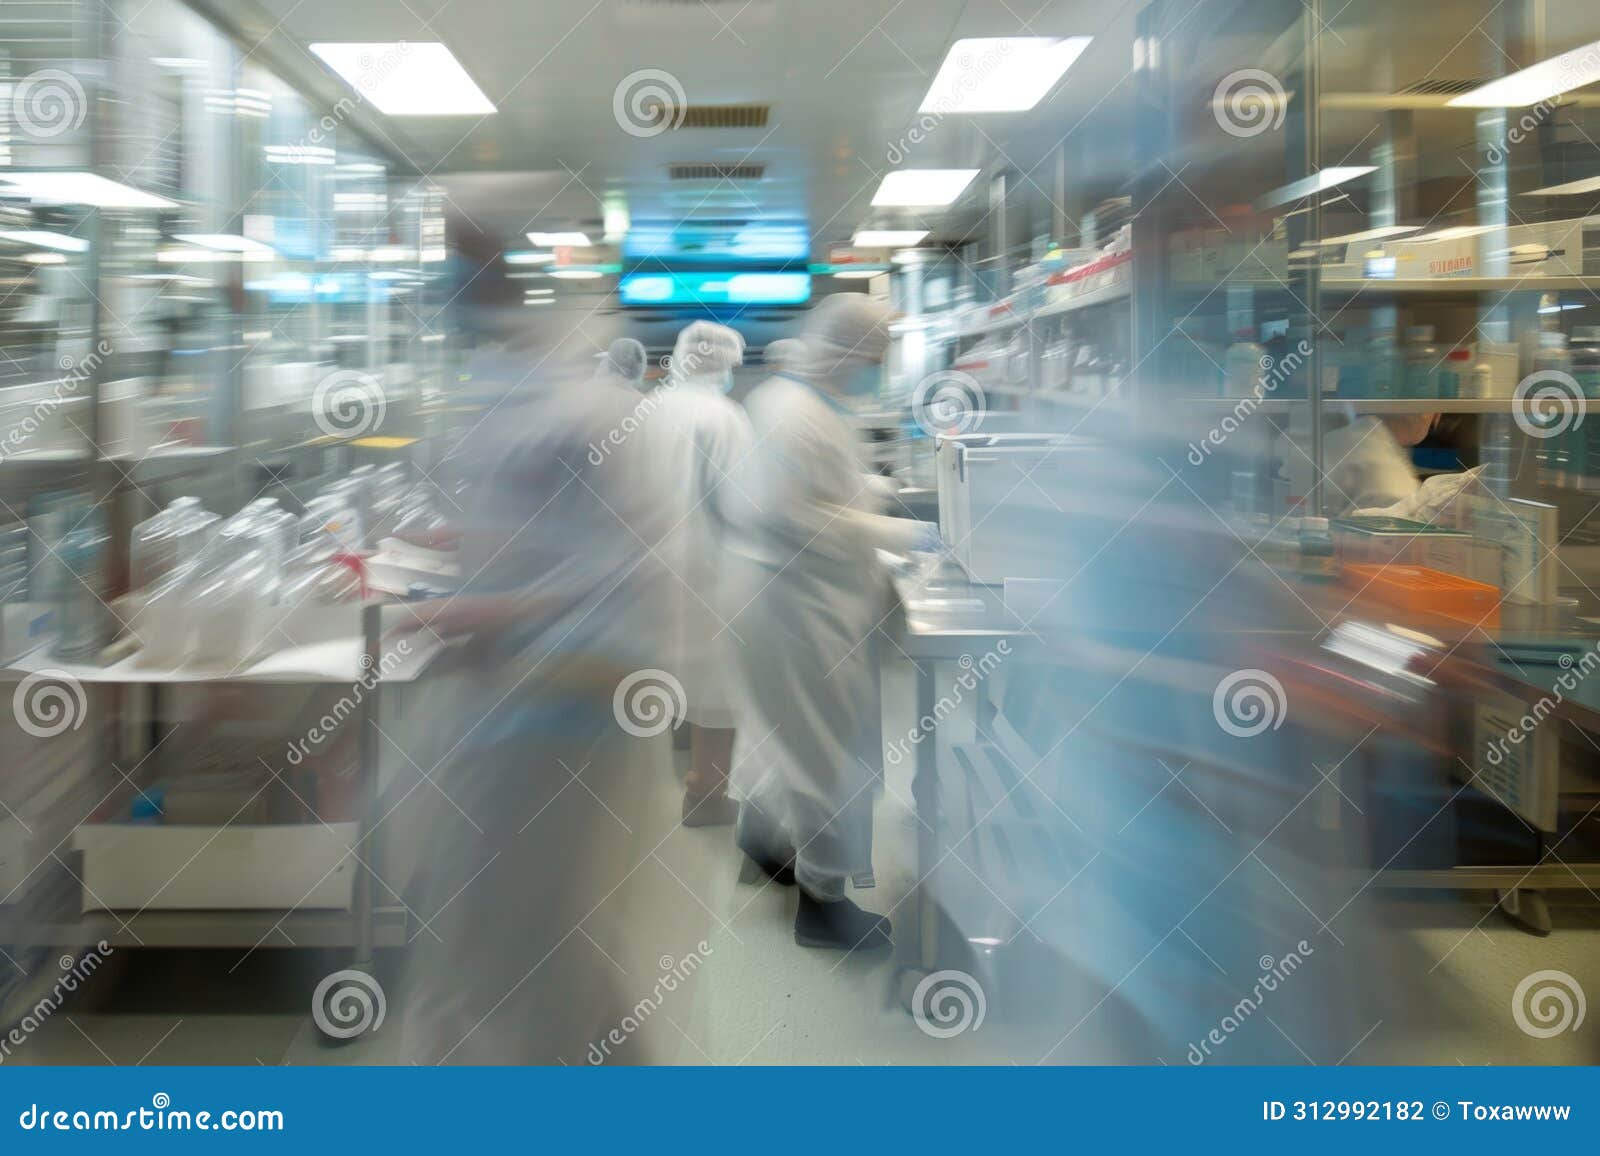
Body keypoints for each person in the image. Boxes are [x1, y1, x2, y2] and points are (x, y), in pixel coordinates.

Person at [723, 294, 935, 951]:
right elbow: (796, 515)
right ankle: (824, 904)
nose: (876, 367)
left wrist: (870, 496)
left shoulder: (793, 402)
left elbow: (815, 493)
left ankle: (763, 840)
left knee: (784, 732)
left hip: (783, 598)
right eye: (874, 356)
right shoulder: (797, 414)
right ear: (848, 350)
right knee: (830, 748)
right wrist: (902, 531)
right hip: (801, 605)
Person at [653, 320, 753, 826]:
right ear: (723, 363)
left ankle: (682, 752)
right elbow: (744, 501)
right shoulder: (724, 416)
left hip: (655, 564)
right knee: (718, 685)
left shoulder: (652, 410)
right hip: (709, 565)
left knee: (676, 669)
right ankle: (706, 791)